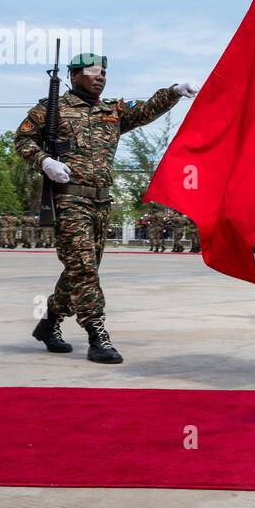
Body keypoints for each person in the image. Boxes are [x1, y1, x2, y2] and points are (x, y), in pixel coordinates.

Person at [15, 53, 197, 362]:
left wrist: (174, 91)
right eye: (92, 73)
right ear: (73, 76)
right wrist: (45, 162)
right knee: (84, 268)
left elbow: (145, 110)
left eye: (103, 73)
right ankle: (97, 335)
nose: (100, 77)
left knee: (81, 270)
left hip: (101, 201)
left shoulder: (112, 111)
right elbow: (22, 140)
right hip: (69, 200)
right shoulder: (52, 110)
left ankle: (49, 324)